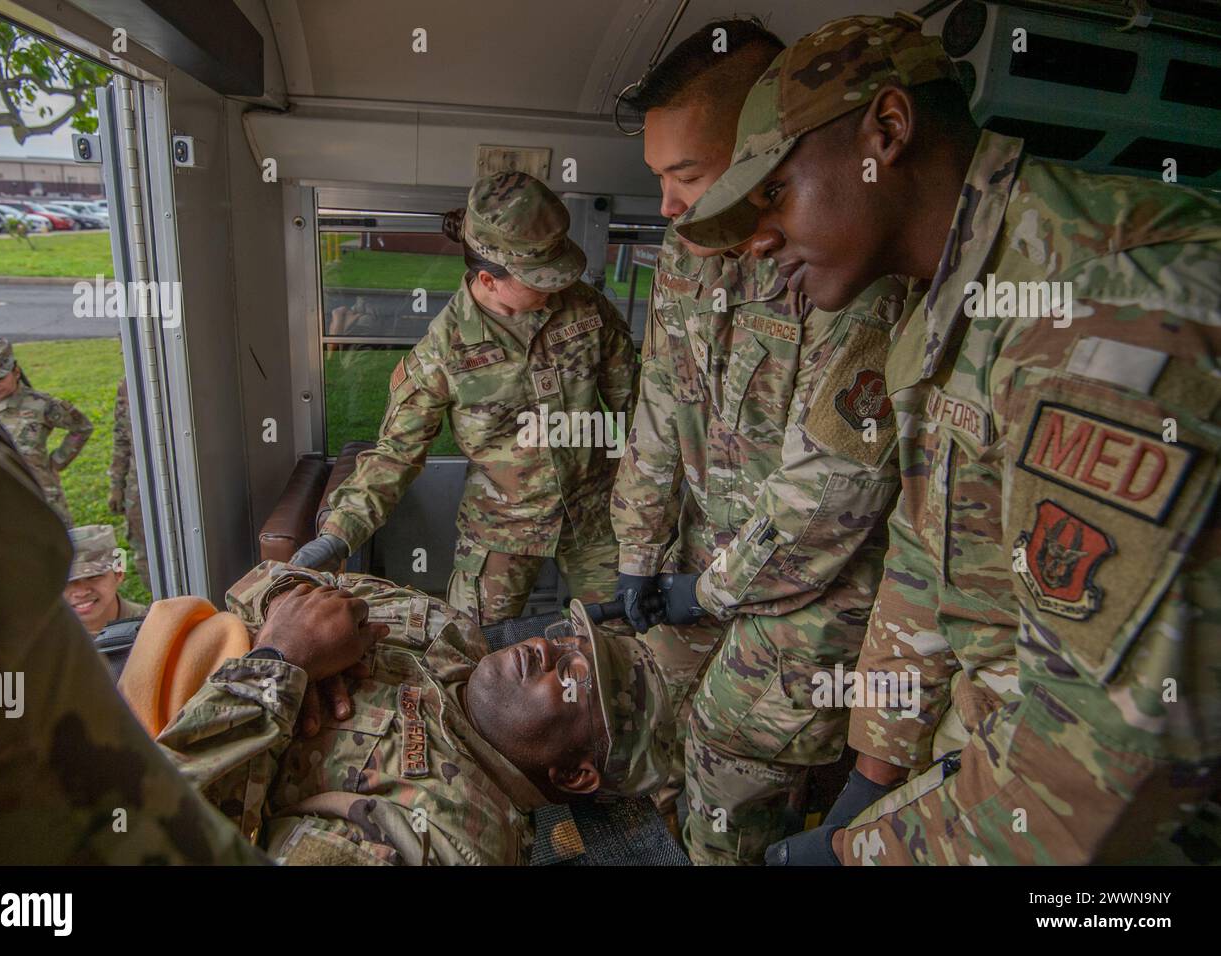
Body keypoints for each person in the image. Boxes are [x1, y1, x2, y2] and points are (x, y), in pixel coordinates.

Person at [677, 12, 1221, 865]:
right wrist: (873, 774)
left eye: (774, 191)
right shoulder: (942, 307)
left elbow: (1113, 766)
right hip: (988, 778)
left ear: (886, 130)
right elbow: (926, 561)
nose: (756, 239)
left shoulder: (1103, 305)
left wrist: (866, 854)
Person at [611, 18, 906, 863]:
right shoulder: (687, 248)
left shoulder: (851, 258)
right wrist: (639, 551)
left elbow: (826, 508)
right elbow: (660, 398)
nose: (666, 205)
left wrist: (703, 592)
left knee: (732, 778)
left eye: (686, 175)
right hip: (701, 564)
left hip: (810, 595)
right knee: (649, 730)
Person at [0, 367, 262, 864]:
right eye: (67, 588)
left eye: (92, 581)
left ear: (117, 576)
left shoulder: (156, 629)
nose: (80, 595)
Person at [291, 172, 638, 632]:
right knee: (469, 646)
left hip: (593, 514)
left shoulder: (587, 309)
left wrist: (637, 496)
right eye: (539, 277)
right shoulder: (444, 351)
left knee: (623, 631)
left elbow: (630, 410)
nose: (557, 285)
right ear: (489, 279)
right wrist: (338, 533)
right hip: (500, 528)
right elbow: (397, 455)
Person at [150, 561, 674, 865]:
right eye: (567, 641)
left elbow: (158, 837)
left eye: (572, 678)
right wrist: (290, 616)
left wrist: (282, 661)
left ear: (574, 773)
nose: (544, 647)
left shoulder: (449, 841)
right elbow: (271, 580)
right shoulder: (450, 630)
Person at [0, 337, 92, 527]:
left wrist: (57, 462)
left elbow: (81, 428)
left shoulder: (41, 405)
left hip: (39, 496)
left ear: (15, 372)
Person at [64, 523, 148, 636]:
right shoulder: (38, 641)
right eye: (67, 582)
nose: (81, 592)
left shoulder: (153, 626)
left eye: (93, 577)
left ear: (118, 573)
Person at [109, 375, 150, 590]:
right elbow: (121, 438)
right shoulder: (127, 385)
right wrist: (116, 485)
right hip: (139, 484)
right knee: (144, 546)